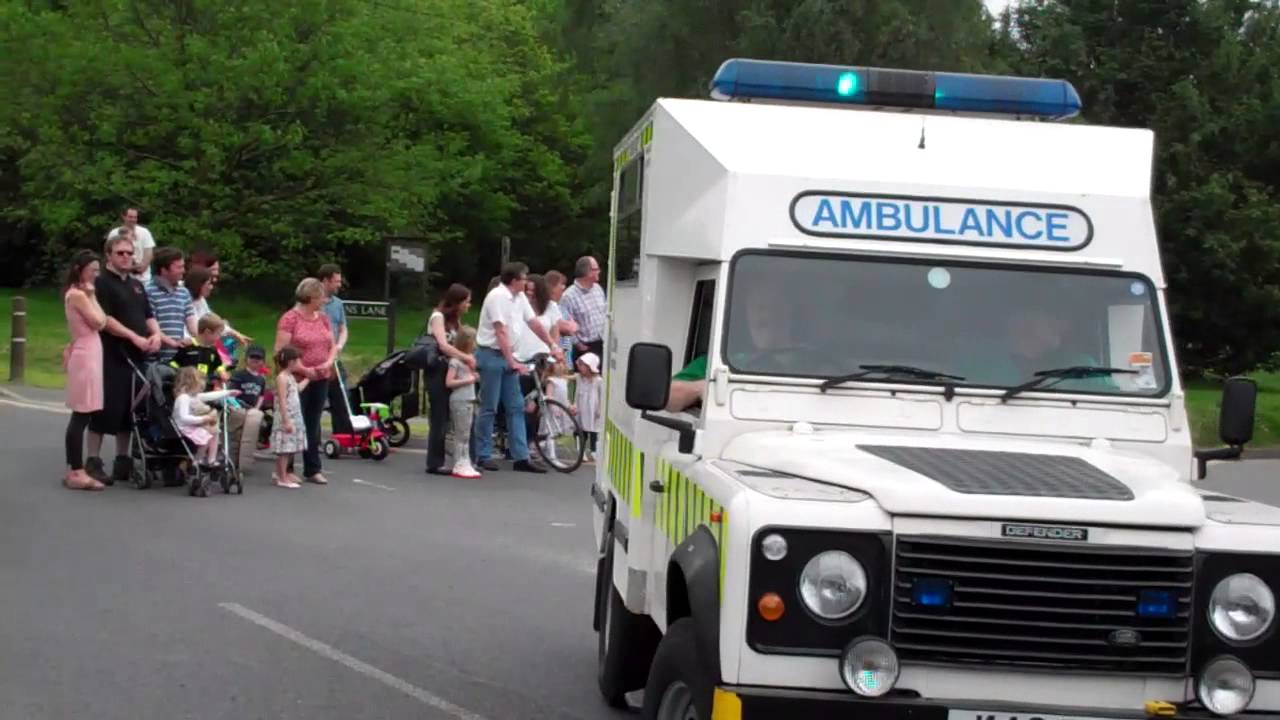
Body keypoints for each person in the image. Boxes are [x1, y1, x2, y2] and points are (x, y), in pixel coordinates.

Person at [85, 235, 163, 485]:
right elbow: (105, 319)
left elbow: (148, 314)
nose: (126, 257)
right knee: (105, 407)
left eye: (130, 253)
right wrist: (133, 337)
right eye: (120, 253)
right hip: (112, 354)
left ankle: (123, 460)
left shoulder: (136, 285)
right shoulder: (101, 283)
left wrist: (156, 334)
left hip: (137, 355)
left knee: (131, 410)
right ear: (109, 255)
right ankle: (93, 460)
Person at [472, 262, 564, 474]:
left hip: (508, 355)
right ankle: (482, 454)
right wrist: (512, 361)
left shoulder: (519, 298)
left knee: (515, 406)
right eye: (523, 279)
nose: (526, 282)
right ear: (513, 280)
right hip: (491, 354)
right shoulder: (497, 297)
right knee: (489, 406)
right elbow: (500, 331)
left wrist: (552, 345)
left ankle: (521, 456)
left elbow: (534, 324)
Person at [171, 313, 264, 471]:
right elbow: (174, 365)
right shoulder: (188, 348)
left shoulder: (212, 350)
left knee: (213, 425)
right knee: (204, 425)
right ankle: (195, 458)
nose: (219, 338)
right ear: (207, 332)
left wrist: (222, 372)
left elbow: (218, 365)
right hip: (189, 392)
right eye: (217, 334)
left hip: (203, 391)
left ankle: (210, 458)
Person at [273, 278, 336, 485]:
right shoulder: (290, 318)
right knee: (292, 419)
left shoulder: (323, 318)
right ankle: (285, 468)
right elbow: (281, 350)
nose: (323, 301)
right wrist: (302, 369)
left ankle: (313, 467)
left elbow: (331, 344)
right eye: (320, 297)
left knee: (313, 421)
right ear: (310, 298)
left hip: (320, 376)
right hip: (296, 378)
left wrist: (328, 362)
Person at [62, 250, 108, 491]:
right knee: (81, 414)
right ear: (81, 269)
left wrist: (93, 297)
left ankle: (75, 468)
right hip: (85, 355)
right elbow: (100, 321)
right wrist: (92, 297)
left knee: (84, 413)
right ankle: (76, 471)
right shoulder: (79, 295)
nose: (96, 274)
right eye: (93, 269)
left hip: (90, 353)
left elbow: (103, 319)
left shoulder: (82, 294)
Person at [424, 284, 477, 475]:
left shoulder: (456, 321)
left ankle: (465, 457)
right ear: (456, 302)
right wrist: (465, 358)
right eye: (466, 301)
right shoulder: (437, 317)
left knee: (456, 415)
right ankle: (435, 462)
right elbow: (443, 345)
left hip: (452, 369)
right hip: (438, 370)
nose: (468, 305)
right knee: (439, 416)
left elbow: (462, 343)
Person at [317, 264, 353, 435]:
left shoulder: (338, 304)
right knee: (316, 400)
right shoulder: (313, 302)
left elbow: (343, 327)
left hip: (334, 357)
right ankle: (312, 440)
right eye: (336, 281)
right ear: (325, 281)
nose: (339, 285)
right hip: (316, 357)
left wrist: (339, 345)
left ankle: (342, 434)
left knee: (341, 396)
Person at [184, 264, 251, 354]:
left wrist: (236, 334)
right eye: (208, 284)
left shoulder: (200, 300)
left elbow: (213, 322)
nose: (211, 287)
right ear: (198, 285)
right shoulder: (184, 301)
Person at [145, 247, 197, 363]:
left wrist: (196, 338)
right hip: (156, 359)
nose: (183, 270)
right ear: (164, 270)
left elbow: (191, 321)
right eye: (179, 267)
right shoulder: (149, 292)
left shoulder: (184, 292)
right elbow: (149, 325)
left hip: (178, 357)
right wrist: (173, 343)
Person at [445, 327, 481, 479]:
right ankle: (459, 462)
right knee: (461, 433)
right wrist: (469, 379)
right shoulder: (455, 362)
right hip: (460, 399)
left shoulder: (468, 359)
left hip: (468, 398)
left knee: (466, 433)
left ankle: (465, 460)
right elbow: (449, 382)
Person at [270, 346, 308, 489]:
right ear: (291, 362)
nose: (300, 364)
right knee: (284, 450)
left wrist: (308, 379)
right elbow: (282, 400)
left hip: (294, 417)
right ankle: (282, 477)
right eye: (298, 361)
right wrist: (286, 420)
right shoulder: (282, 378)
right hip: (286, 417)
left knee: (288, 448)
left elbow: (297, 389)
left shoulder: (290, 377)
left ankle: (281, 474)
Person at [559, 255, 606, 363]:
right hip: (585, 348)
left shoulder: (598, 289)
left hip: (601, 344)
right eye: (596, 269)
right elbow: (565, 324)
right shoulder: (568, 296)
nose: (599, 271)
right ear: (588, 272)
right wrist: (579, 345)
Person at [171, 367, 222, 467]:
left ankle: (211, 459)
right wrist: (203, 419)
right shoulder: (184, 398)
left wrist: (229, 392)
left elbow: (210, 395)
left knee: (214, 432)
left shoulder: (190, 395)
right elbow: (184, 417)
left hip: (190, 425)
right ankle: (197, 460)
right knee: (207, 436)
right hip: (184, 427)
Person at [107, 207, 156, 283]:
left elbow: (149, 253)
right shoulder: (114, 233)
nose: (133, 220)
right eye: (130, 217)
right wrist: (130, 268)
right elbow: (109, 255)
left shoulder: (144, 232)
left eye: (135, 217)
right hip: (119, 279)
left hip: (143, 280)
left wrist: (140, 267)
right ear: (124, 217)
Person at [575, 352, 603, 463]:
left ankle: (594, 450)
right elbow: (577, 393)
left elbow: (601, 396)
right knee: (581, 429)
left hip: (593, 408)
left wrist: (600, 409)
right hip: (582, 407)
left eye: (583, 365)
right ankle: (580, 451)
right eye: (580, 365)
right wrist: (575, 404)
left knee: (594, 430)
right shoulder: (579, 378)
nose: (580, 368)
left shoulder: (598, 380)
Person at [544, 270, 578, 358]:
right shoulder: (548, 306)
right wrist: (569, 326)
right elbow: (568, 327)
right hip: (553, 356)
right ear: (552, 287)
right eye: (561, 284)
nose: (563, 287)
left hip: (565, 355)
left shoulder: (562, 307)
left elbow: (572, 328)